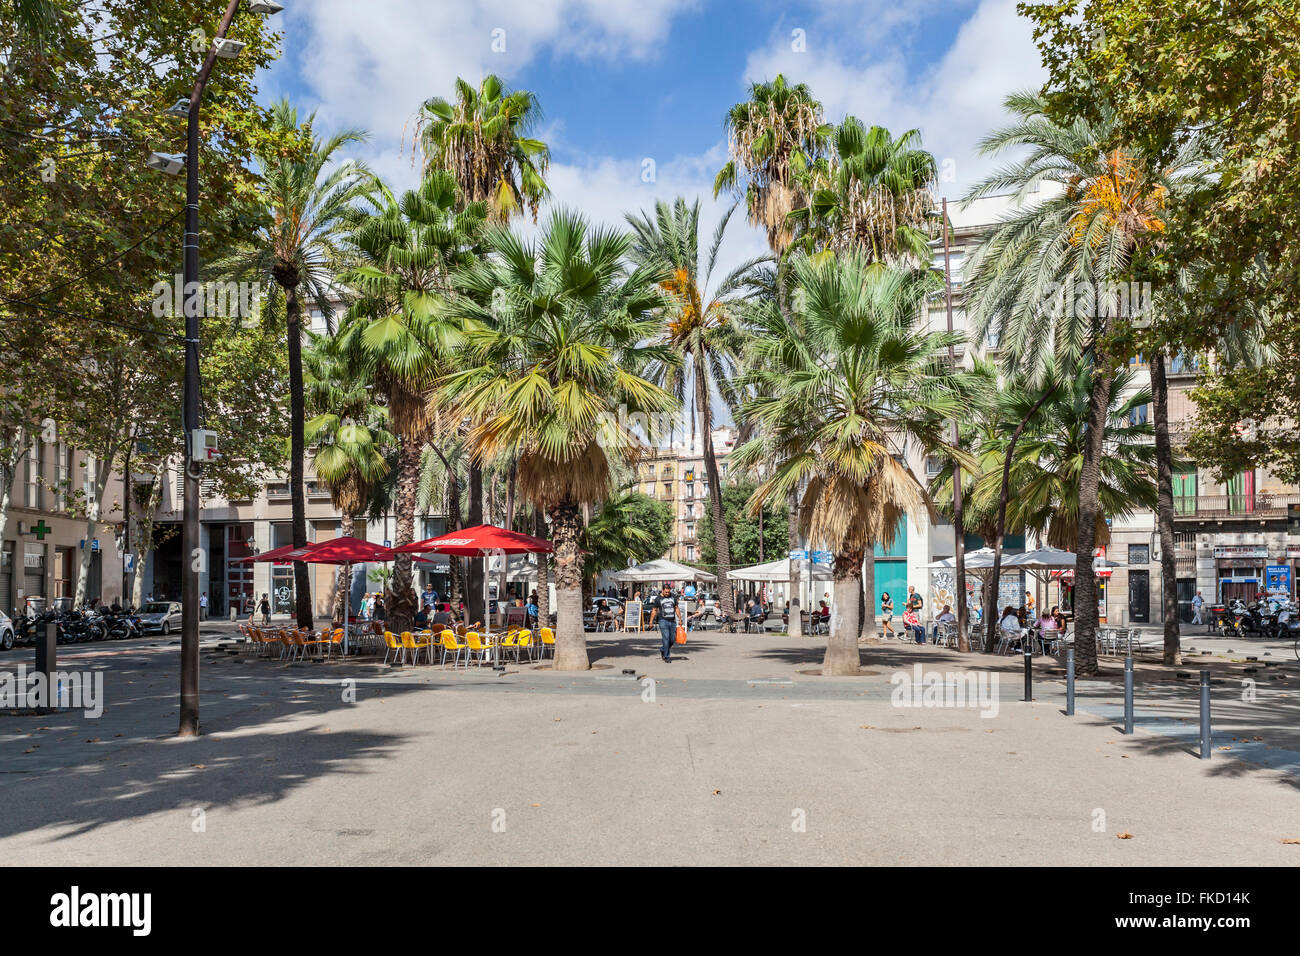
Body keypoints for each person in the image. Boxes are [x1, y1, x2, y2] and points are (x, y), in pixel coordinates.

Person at [649, 583, 678, 663]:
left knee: (672, 639)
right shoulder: (658, 599)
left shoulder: (673, 597)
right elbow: (654, 610)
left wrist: (680, 618)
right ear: (662, 590)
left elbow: (676, 608)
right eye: (666, 592)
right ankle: (667, 656)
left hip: (672, 621)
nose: (667, 594)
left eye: (668, 592)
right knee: (666, 638)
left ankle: (663, 649)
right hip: (663, 621)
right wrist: (651, 621)